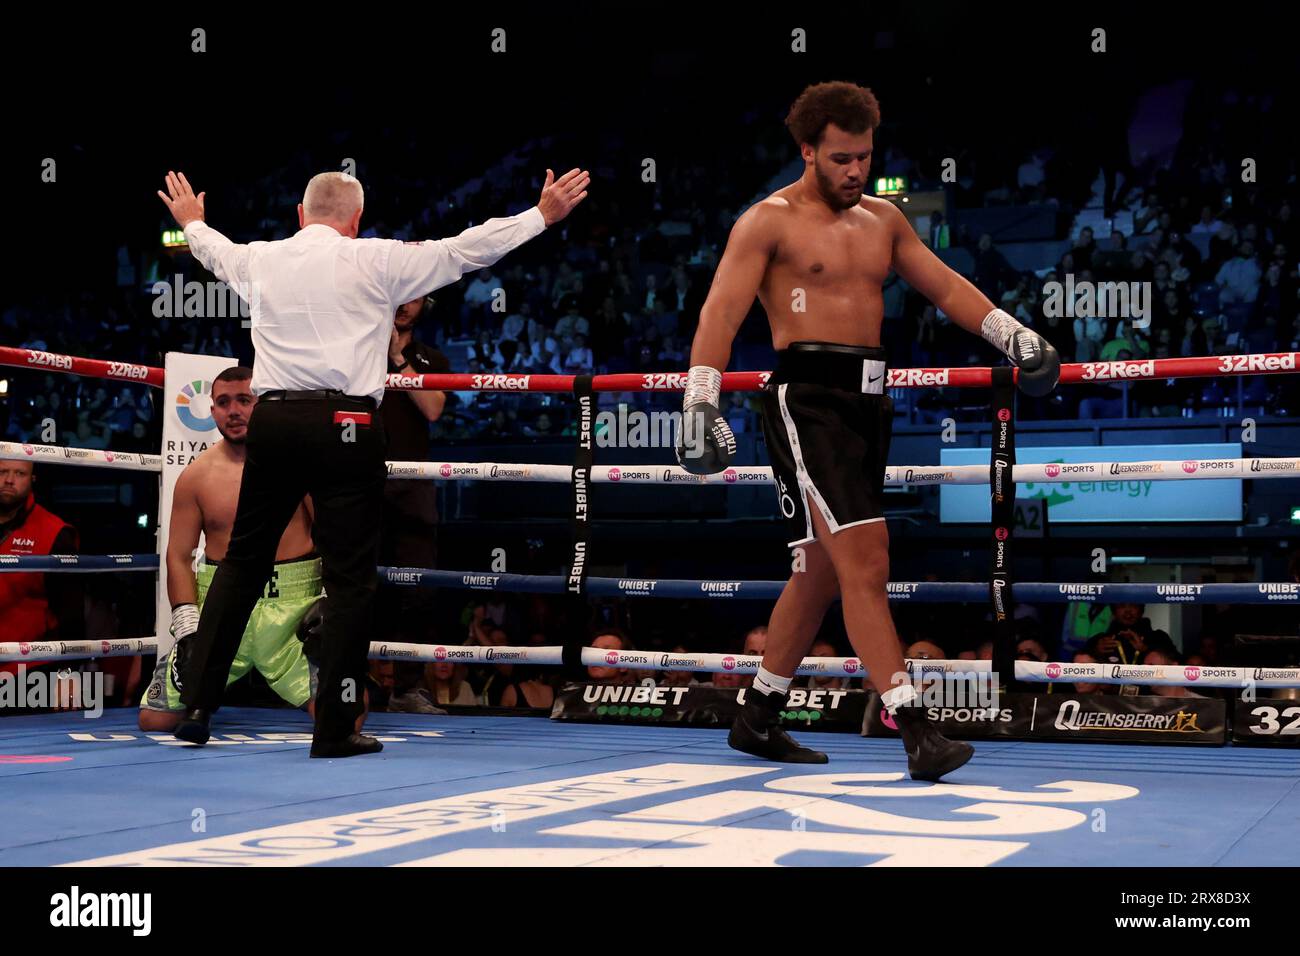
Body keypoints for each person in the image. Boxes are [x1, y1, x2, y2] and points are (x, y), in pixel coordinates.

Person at [677, 82, 1059, 780]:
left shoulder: (883, 218)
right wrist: (699, 402)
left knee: (821, 570)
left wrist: (1015, 336)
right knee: (867, 557)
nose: (856, 171)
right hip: (806, 403)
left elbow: (944, 287)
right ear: (808, 152)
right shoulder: (767, 222)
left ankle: (758, 715)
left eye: (865, 157)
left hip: (868, 405)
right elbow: (720, 314)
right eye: (842, 159)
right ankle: (915, 729)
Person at [157, 165, 588, 757]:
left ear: (299, 217)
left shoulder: (264, 258)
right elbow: (467, 248)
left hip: (276, 419)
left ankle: (198, 709)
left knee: (239, 566)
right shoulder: (378, 259)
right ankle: (334, 729)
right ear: (355, 221)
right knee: (350, 579)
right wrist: (542, 215)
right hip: (348, 424)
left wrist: (191, 222)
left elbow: (212, 250)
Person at [141, 367, 346, 731]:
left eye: (244, 400)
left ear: (262, 404)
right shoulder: (196, 477)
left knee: (344, 718)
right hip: (220, 603)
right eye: (223, 402)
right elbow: (178, 554)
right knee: (154, 719)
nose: (234, 410)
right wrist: (188, 627)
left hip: (293, 607)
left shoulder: (298, 464)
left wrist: (332, 600)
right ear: (213, 410)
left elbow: (335, 539)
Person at [381, 296, 450, 715]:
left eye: (415, 298)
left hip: (413, 484)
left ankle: (406, 688)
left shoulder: (430, 357)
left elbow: (433, 408)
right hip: (361, 479)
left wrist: (396, 358)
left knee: (416, 589)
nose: (404, 306)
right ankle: (341, 682)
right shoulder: (353, 350)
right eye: (398, 297)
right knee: (352, 586)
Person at [0, 459, 83, 676]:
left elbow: (71, 612)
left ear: (32, 479)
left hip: (27, 670)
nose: (9, 480)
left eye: (19, 473)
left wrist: (68, 672)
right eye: (2, 472)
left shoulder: (55, 533)